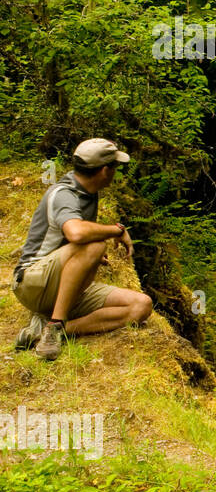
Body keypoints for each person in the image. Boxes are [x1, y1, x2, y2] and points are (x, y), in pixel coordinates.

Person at [11, 138, 153, 360]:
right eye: (115, 167)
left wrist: (88, 259)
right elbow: (76, 233)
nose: (116, 172)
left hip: (62, 287)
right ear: (105, 171)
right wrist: (116, 230)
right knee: (96, 245)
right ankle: (56, 324)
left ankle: (51, 330)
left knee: (141, 306)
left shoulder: (89, 192)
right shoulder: (65, 195)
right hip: (32, 283)